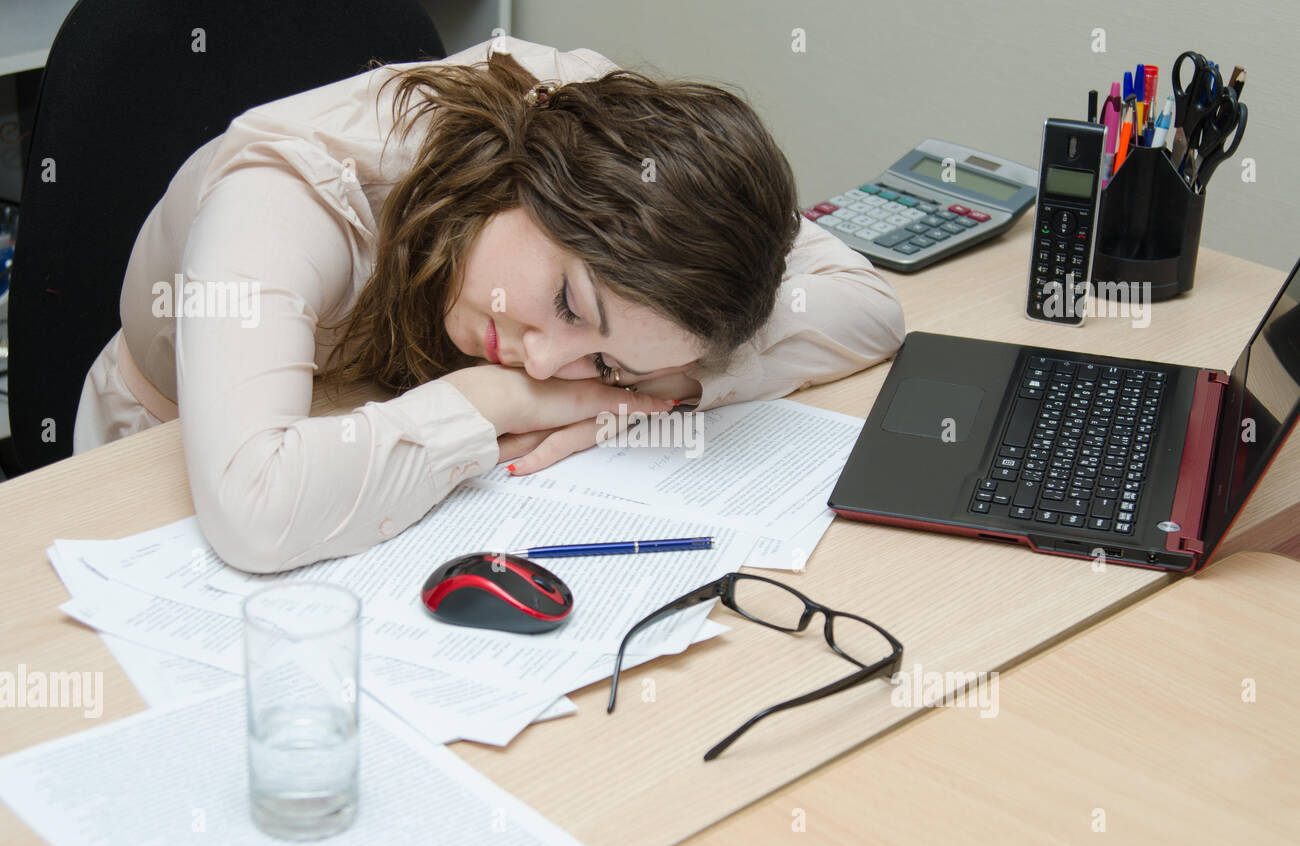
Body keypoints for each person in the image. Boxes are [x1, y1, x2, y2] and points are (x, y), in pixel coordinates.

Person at [71, 35, 904, 573]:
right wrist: (492, 399)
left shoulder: (628, 150)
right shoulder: (289, 196)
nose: (547, 364)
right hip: (164, 461)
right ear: (530, 181)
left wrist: (669, 386)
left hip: (389, 458)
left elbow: (868, 307)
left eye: (602, 361)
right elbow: (255, 510)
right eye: (572, 305)